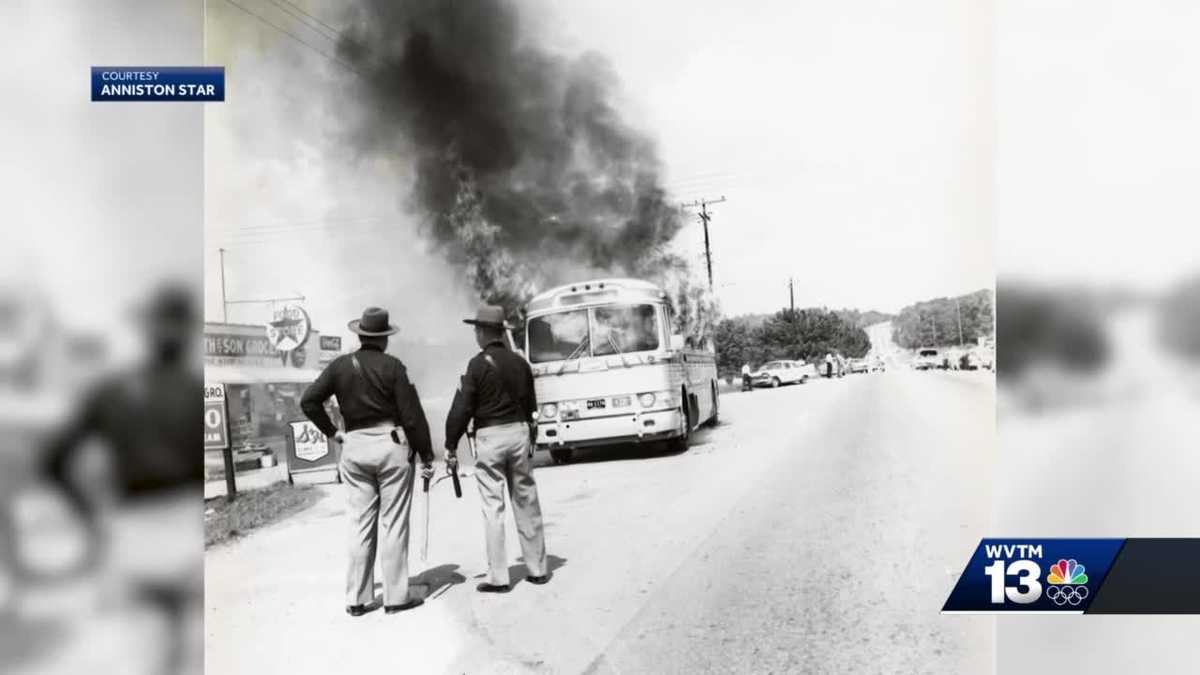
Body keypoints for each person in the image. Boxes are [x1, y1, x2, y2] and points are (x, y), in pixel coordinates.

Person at [41, 283, 203, 675]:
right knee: (191, 656)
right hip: (186, 524)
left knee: (147, 656)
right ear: (188, 333)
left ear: (148, 330)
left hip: (131, 530)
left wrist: (91, 517)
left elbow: (54, 461)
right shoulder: (194, 391)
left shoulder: (111, 391)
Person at [300, 306, 434, 616]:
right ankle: (395, 598)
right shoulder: (394, 367)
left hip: (354, 446)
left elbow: (308, 401)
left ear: (360, 335)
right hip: (390, 445)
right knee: (394, 523)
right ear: (385, 338)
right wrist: (426, 453)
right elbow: (411, 416)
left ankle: (357, 599)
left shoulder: (339, 366)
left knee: (360, 523)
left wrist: (333, 432)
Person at [444, 305, 548, 593]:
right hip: (519, 432)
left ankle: (499, 577)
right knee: (526, 501)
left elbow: (462, 409)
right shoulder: (520, 363)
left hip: (490, 437)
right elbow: (531, 405)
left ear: (482, 332)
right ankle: (538, 569)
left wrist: (451, 444)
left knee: (493, 507)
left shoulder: (476, 366)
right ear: (501, 332)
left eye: (476, 330)